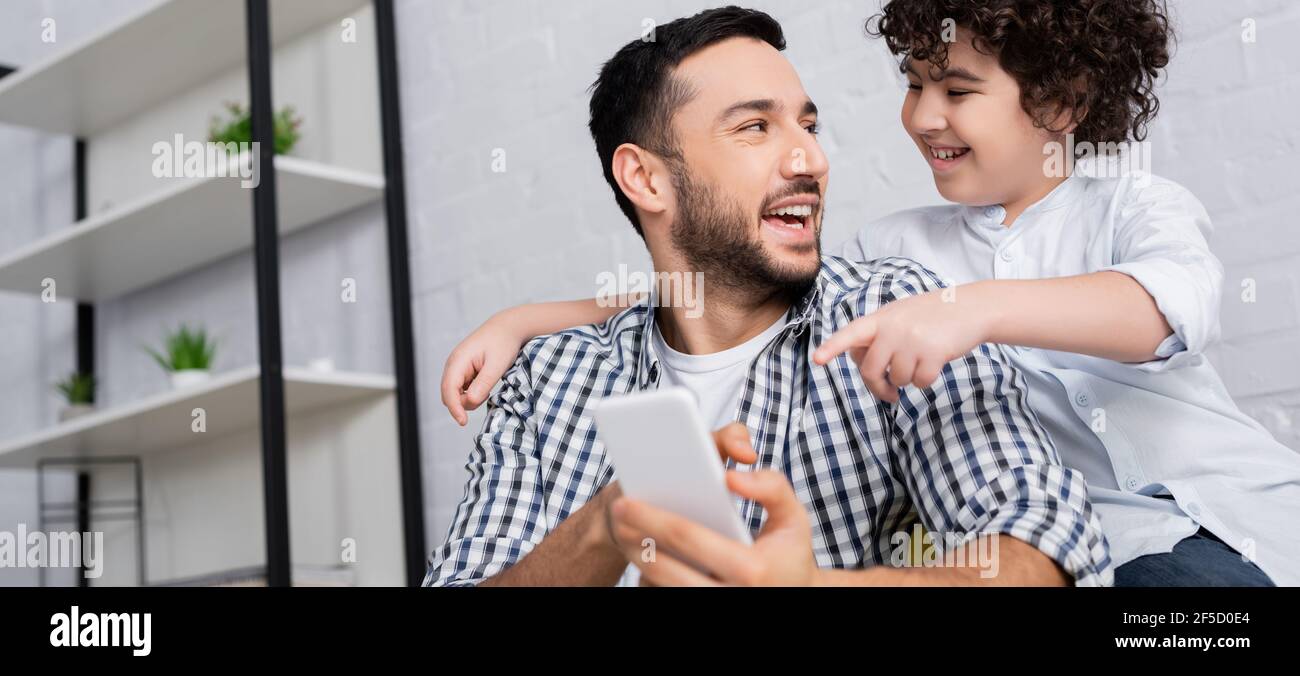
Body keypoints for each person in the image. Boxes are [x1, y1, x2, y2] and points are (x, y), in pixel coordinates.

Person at [439, 1, 1299, 586]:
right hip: (1112, 547)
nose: (923, 116)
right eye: (916, 86)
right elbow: (703, 289)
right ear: (644, 178)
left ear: (1063, 101)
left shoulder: (1126, 207)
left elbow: (1163, 307)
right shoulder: (899, 250)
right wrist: (531, 320)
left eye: (957, 91)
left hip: (1213, 525)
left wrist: (971, 310)